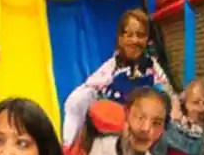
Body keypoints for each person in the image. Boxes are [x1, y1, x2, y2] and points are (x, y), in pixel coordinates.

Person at [61, 9, 174, 145]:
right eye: (129, 35)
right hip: (113, 134)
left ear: (147, 39)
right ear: (120, 38)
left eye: (140, 35)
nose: (135, 40)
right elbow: (82, 97)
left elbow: (169, 99)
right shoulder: (110, 69)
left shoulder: (152, 68)